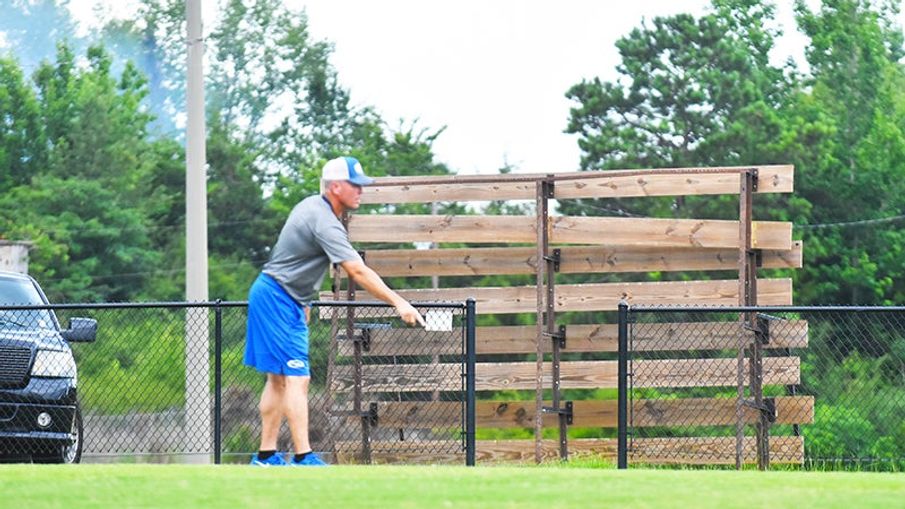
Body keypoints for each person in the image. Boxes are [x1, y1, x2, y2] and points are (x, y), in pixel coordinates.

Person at [244, 156, 425, 467]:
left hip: (278, 297)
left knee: (278, 380)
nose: (361, 191)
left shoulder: (313, 207)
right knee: (297, 378)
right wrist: (399, 302)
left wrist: (304, 302)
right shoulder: (325, 221)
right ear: (335, 186)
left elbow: (294, 260)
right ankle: (303, 457)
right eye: (356, 185)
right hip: (276, 298)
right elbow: (357, 271)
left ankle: (266, 456)